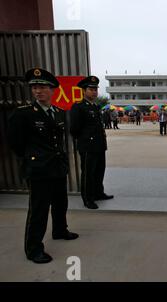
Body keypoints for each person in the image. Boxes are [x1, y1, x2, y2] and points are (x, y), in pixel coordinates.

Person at [7, 68, 78, 264]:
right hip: (38, 170)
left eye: (43, 87)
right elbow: (15, 142)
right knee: (38, 210)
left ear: (53, 89)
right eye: (35, 87)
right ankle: (33, 249)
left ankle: (60, 230)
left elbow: (59, 140)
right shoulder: (23, 114)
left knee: (60, 203)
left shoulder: (58, 113)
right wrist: (32, 157)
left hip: (57, 167)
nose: (38, 91)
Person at [70, 76, 114, 210]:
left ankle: (98, 193)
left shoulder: (95, 106)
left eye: (95, 89)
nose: (94, 92)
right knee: (88, 173)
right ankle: (88, 198)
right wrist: (85, 141)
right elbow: (74, 129)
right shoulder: (78, 107)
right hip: (88, 147)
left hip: (99, 145)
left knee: (99, 171)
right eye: (91, 89)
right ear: (84, 90)